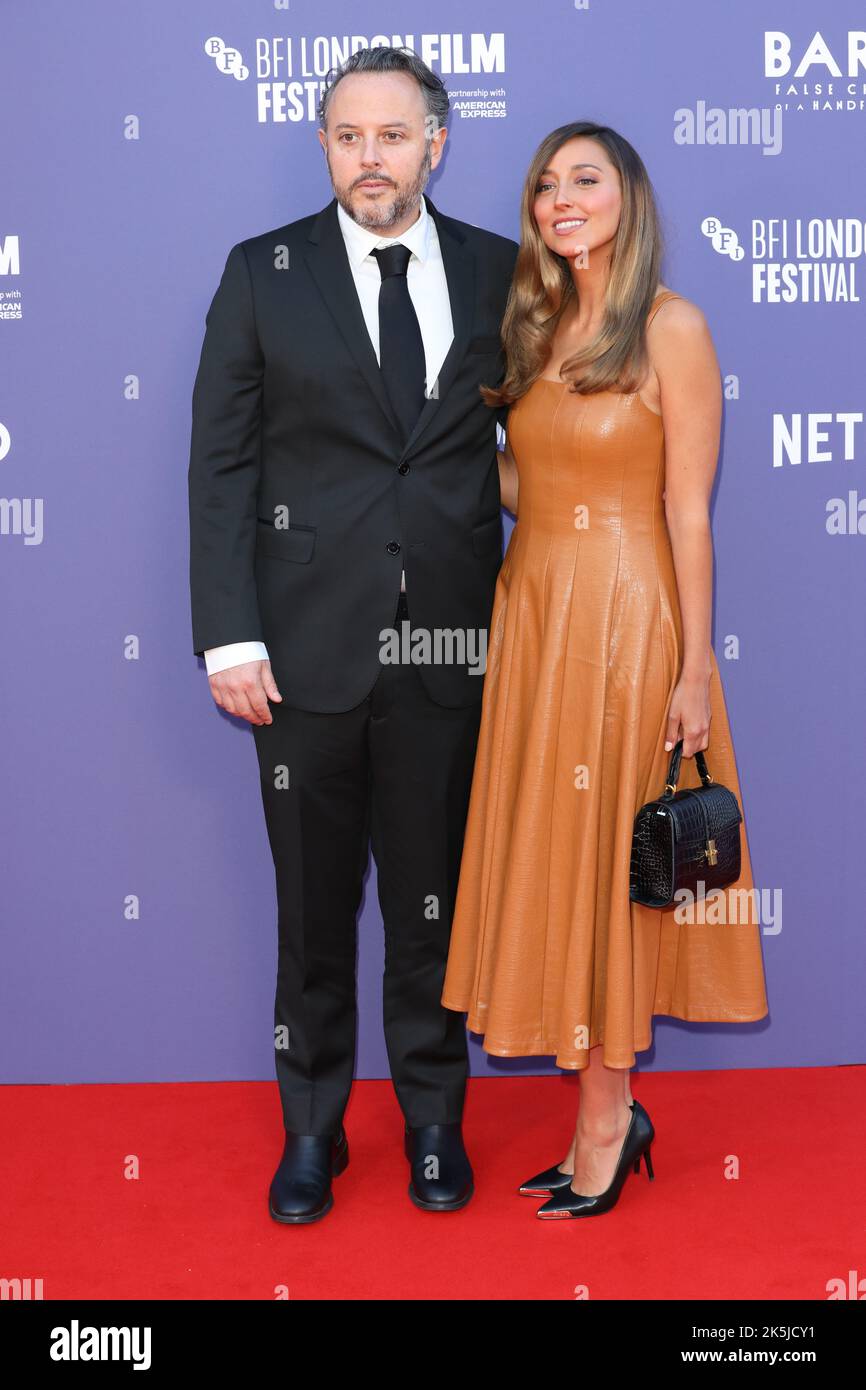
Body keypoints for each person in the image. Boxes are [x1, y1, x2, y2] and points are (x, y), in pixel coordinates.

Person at [187, 46, 518, 1223]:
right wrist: (229, 637)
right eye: (346, 136)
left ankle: (433, 1122)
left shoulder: (499, 273)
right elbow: (221, 467)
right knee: (312, 918)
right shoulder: (262, 273)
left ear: (436, 140)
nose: (368, 157)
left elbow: (543, 440)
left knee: (434, 904)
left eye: (391, 134)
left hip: (446, 653)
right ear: (323, 145)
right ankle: (312, 1132)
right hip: (305, 654)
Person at [441, 121, 769, 1219]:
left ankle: (604, 1116)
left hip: (627, 620)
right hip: (534, 612)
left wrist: (693, 667)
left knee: (611, 876)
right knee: (563, 867)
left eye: (583, 180)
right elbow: (525, 487)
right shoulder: (533, 326)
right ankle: (608, 1111)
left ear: (627, 197)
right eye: (544, 185)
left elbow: (688, 509)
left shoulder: (670, 325)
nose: (557, 199)